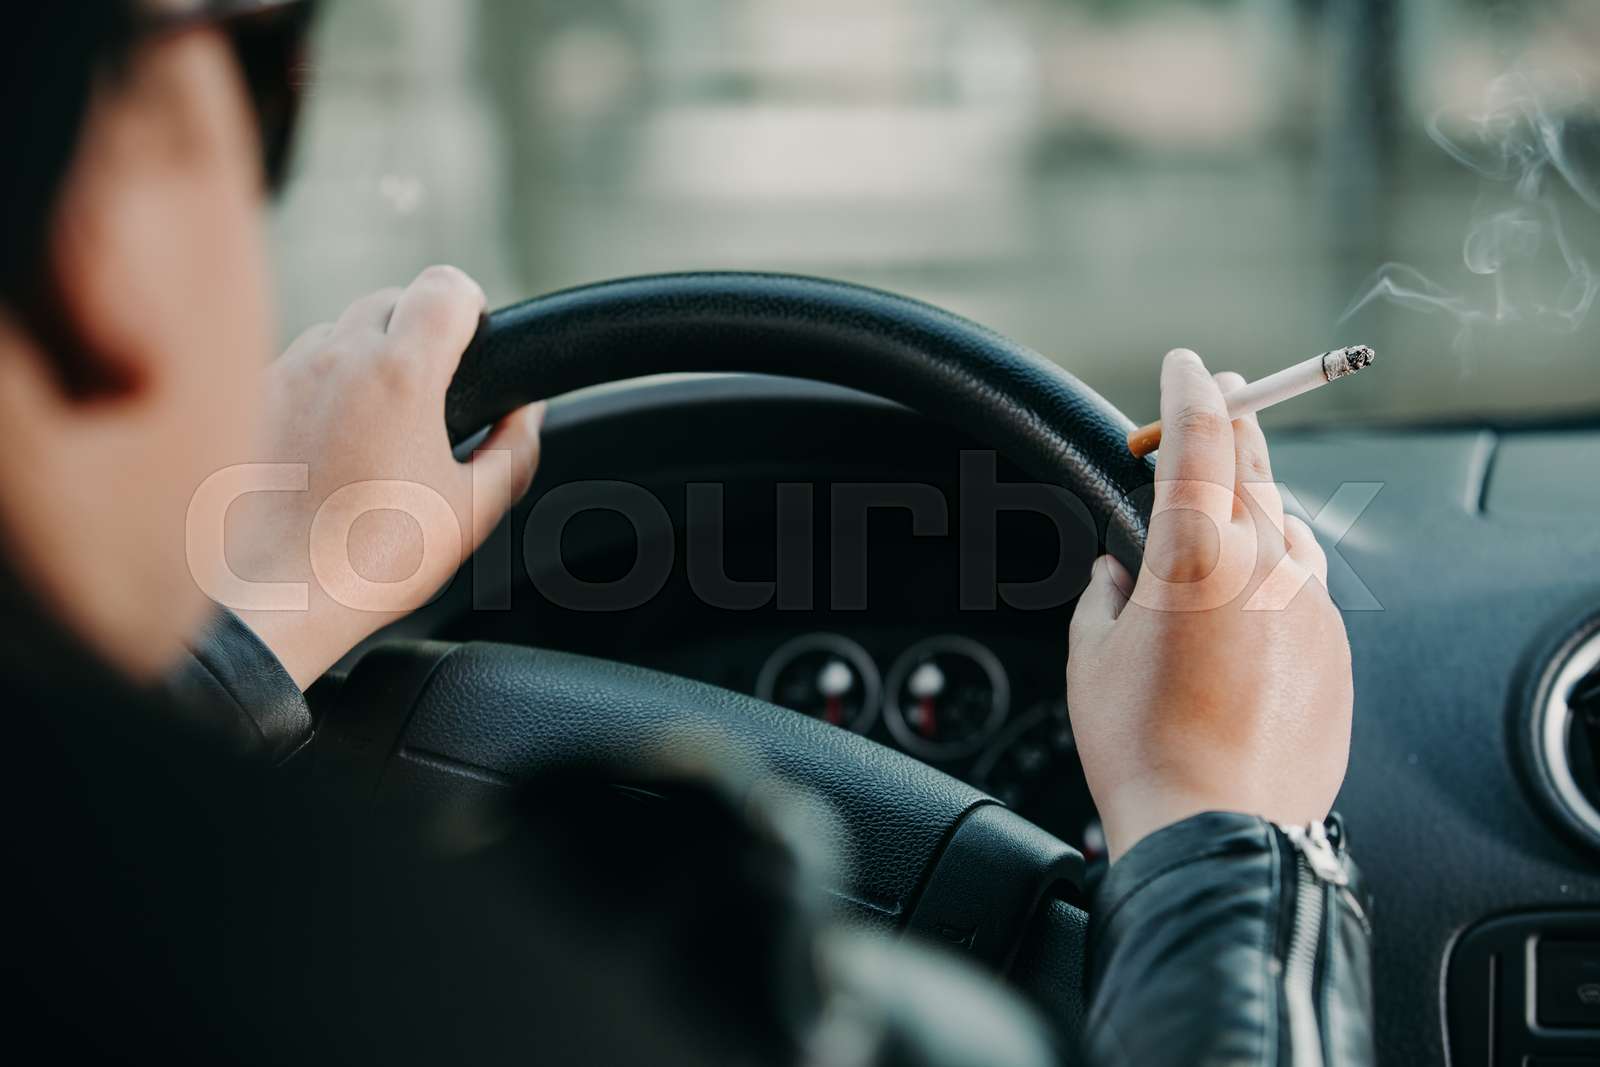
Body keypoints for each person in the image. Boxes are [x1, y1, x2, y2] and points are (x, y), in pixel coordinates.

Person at [2, 2, 1372, 1064]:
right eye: (264, 70)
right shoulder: (407, 998)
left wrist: (248, 623)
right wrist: (1228, 833)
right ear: (99, 223)